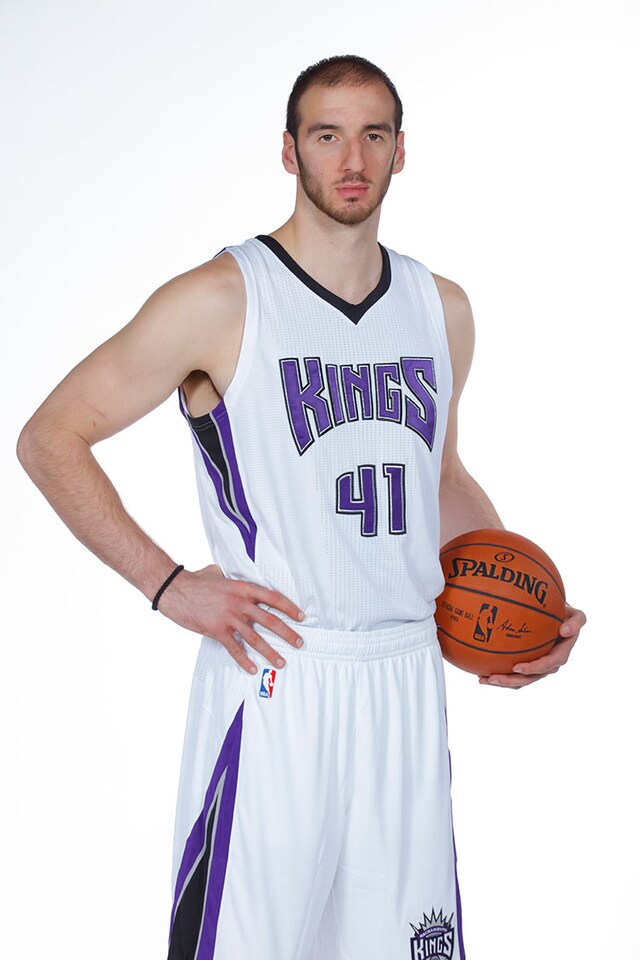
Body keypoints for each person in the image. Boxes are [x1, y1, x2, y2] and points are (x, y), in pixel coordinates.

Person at [17, 54, 586, 960]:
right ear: (290, 152)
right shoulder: (222, 297)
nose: (351, 158)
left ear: (403, 152)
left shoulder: (442, 310)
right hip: (279, 673)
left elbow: (438, 474)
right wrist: (167, 585)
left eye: (373, 134)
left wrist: (522, 602)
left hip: (406, 676)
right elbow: (51, 437)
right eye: (327, 135)